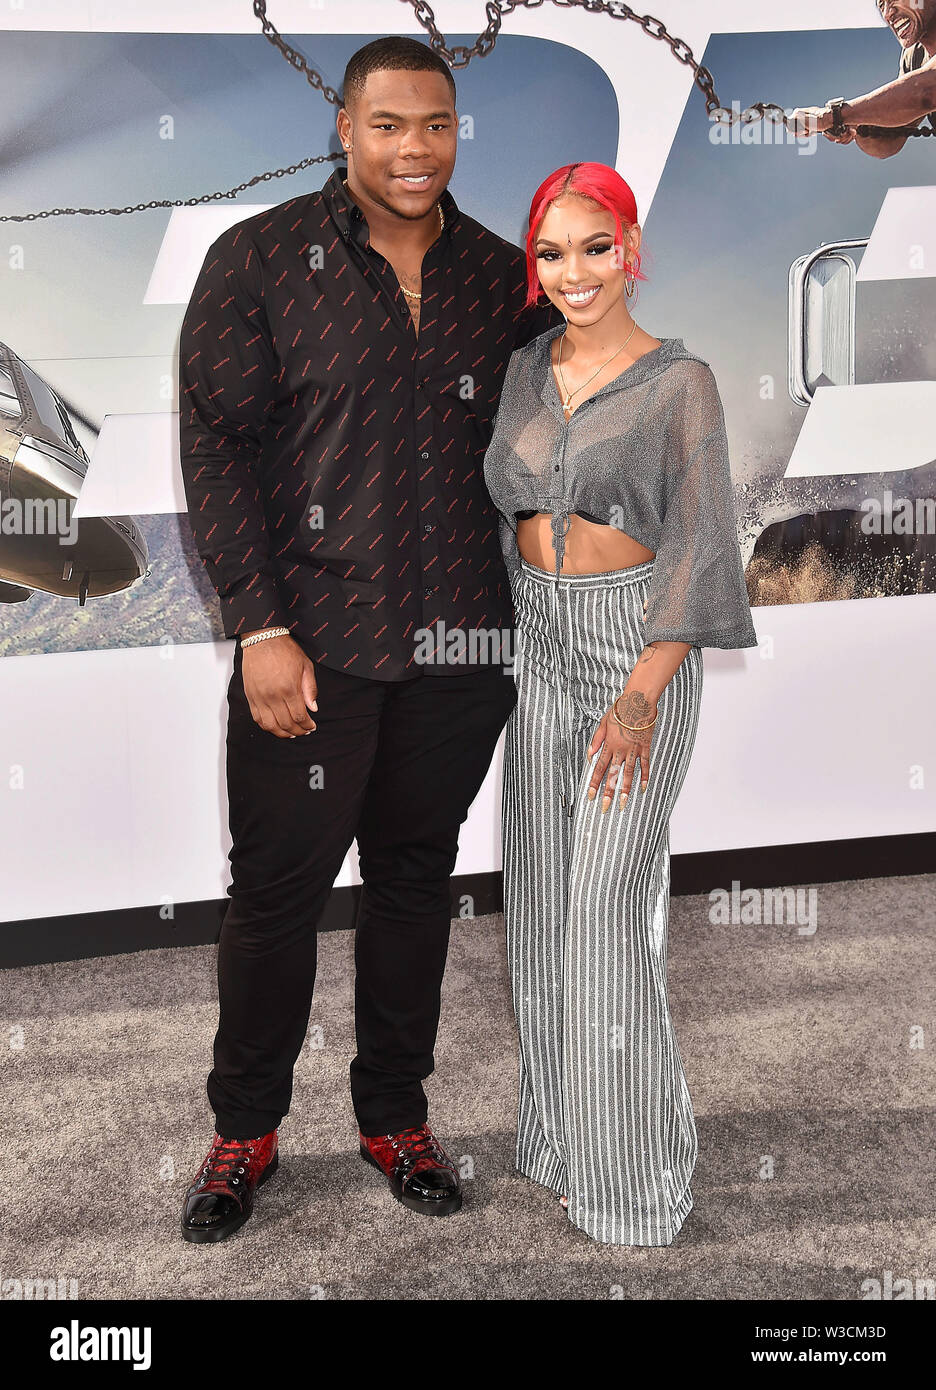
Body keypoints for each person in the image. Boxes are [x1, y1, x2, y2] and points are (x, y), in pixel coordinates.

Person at [177, 36, 556, 1243]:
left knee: (412, 885)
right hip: (313, 648)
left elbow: (560, 434)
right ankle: (245, 1129)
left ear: (458, 133)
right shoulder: (258, 262)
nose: (414, 149)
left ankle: (395, 1116)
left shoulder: (506, 279)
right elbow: (217, 451)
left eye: (436, 126)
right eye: (388, 125)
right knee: (276, 899)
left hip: (458, 654)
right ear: (345, 127)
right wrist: (260, 626)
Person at [483, 162, 759, 1245]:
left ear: (630, 247)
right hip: (535, 652)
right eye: (551, 252)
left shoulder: (678, 380)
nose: (573, 272)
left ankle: (636, 1181)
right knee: (546, 914)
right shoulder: (522, 370)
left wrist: (642, 695)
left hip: (631, 654)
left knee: (605, 920)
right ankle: (563, 1140)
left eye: (595, 247)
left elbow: (698, 545)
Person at [789, 1, 936, 156]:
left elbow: (926, 93)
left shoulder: (923, 82)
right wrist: (856, 125)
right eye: (881, 5)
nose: (887, 14)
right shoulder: (915, 57)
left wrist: (834, 115)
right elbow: (885, 145)